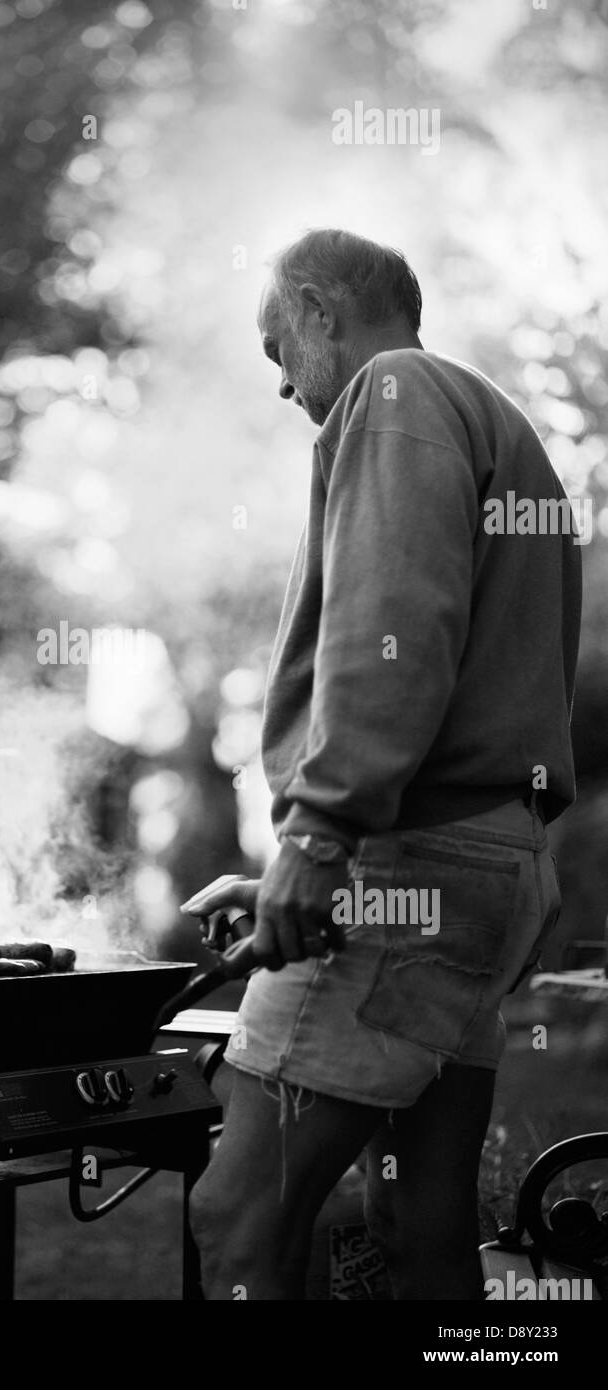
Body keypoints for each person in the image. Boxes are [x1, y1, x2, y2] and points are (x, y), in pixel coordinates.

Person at [187, 228, 582, 1300]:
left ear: (319, 310)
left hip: (405, 870)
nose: (280, 384)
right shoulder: (500, 425)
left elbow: (389, 630)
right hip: (486, 871)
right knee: (415, 1221)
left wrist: (318, 837)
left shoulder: (394, 393)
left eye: (277, 347)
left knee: (234, 1217)